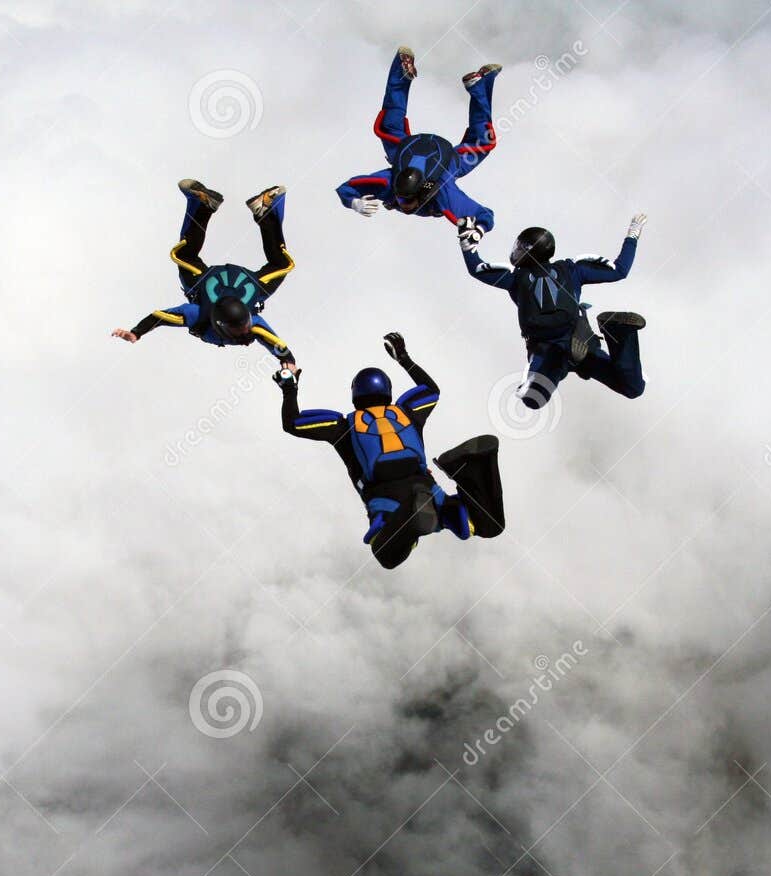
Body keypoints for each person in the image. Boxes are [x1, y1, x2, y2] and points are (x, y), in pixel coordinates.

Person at [278, 333, 504, 569]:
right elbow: (430, 390)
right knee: (489, 525)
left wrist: (289, 388)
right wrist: (404, 359)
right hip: (427, 487)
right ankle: (472, 464)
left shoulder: (343, 426)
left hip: (387, 500)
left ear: (355, 396)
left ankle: (413, 513)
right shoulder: (408, 411)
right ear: (388, 391)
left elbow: (292, 422)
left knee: (386, 556)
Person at [459, 212, 649, 409]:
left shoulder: (515, 278)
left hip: (546, 350)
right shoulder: (572, 269)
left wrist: (466, 241)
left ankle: (568, 353)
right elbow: (620, 270)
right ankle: (619, 332)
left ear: (526, 249)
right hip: (582, 342)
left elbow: (476, 268)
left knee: (533, 399)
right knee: (633, 387)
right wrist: (632, 235)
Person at [114, 179, 298, 370]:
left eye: (245, 324)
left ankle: (206, 206)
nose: (245, 330)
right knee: (281, 264)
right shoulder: (199, 315)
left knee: (185, 255)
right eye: (241, 328)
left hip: (221, 283)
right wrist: (135, 333)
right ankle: (262, 212)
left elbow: (158, 317)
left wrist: (136, 332)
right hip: (234, 284)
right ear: (220, 325)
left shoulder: (247, 324)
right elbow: (160, 317)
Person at [335, 47, 500, 232]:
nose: (402, 203)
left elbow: (484, 215)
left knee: (483, 142)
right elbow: (346, 188)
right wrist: (353, 202)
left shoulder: (443, 193)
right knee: (390, 126)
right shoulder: (389, 183)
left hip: (442, 159)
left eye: (406, 199)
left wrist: (478, 231)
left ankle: (479, 86)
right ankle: (478, 85)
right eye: (400, 198)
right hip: (409, 150)